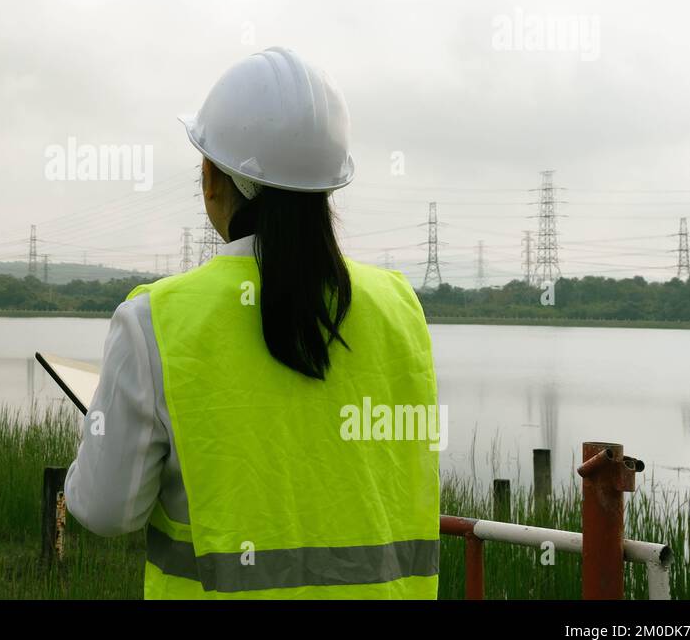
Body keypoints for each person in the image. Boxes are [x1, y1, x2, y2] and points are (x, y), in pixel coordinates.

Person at [64, 46, 440, 599]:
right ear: (328, 190)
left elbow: (105, 510)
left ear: (212, 178)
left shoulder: (155, 322)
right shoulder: (400, 307)